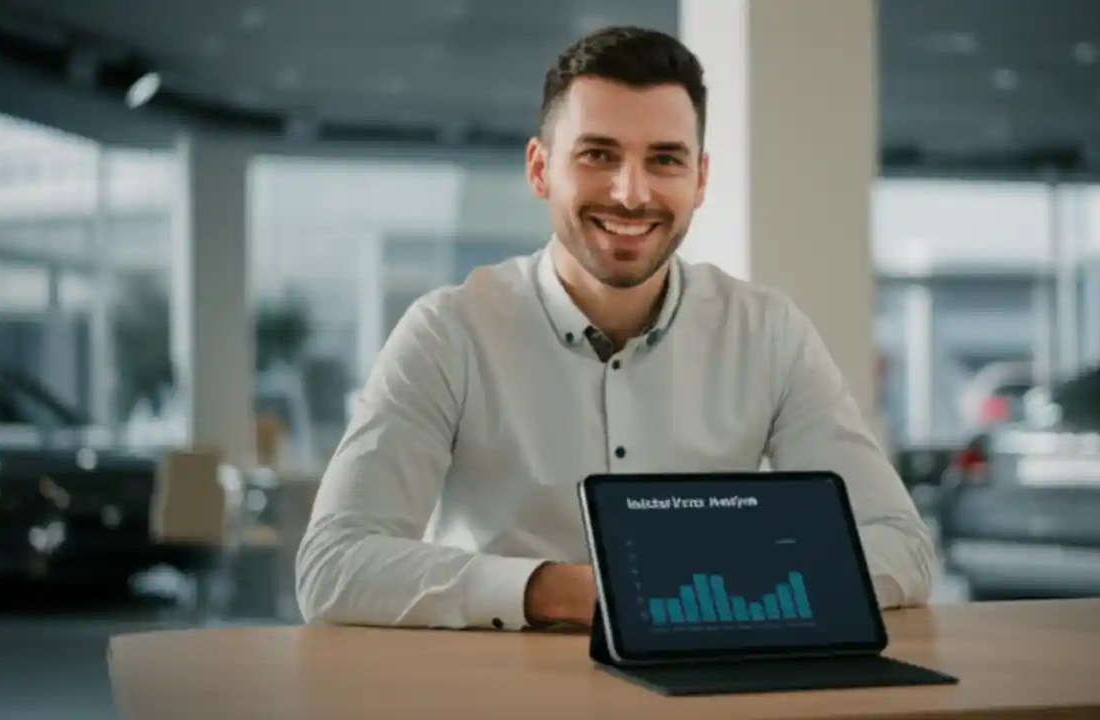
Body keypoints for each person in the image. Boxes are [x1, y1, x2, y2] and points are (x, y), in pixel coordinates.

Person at [296, 26, 936, 631]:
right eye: (598, 155)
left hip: (712, 688)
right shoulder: (448, 332)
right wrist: (559, 591)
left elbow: (900, 544)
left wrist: (727, 587)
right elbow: (333, 565)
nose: (632, 194)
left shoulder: (767, 332)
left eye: (665, 160)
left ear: (701, 179)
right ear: (541, 169)